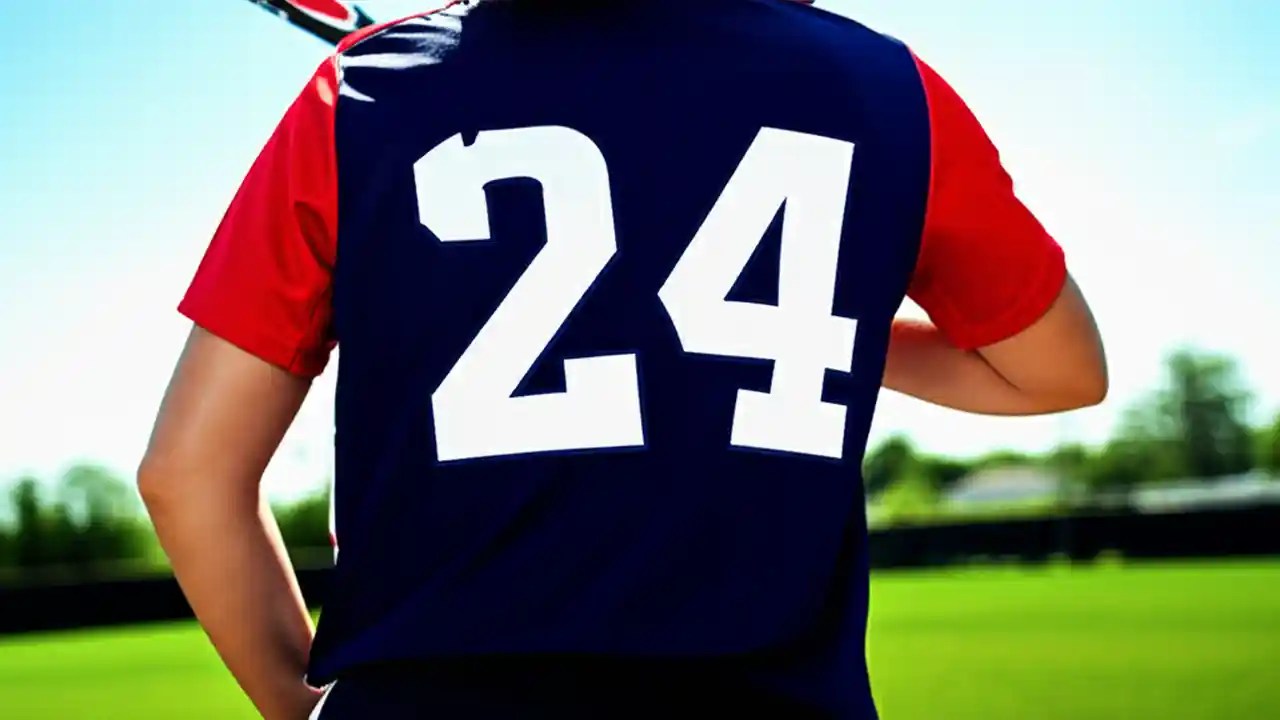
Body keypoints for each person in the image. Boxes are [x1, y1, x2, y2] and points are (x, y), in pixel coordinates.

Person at [138, 1, 1107, 718]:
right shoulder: (886, 87)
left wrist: (294, 703)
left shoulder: (359, 91)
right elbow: (1053, 372)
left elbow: (187, 475)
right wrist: (789, 324)